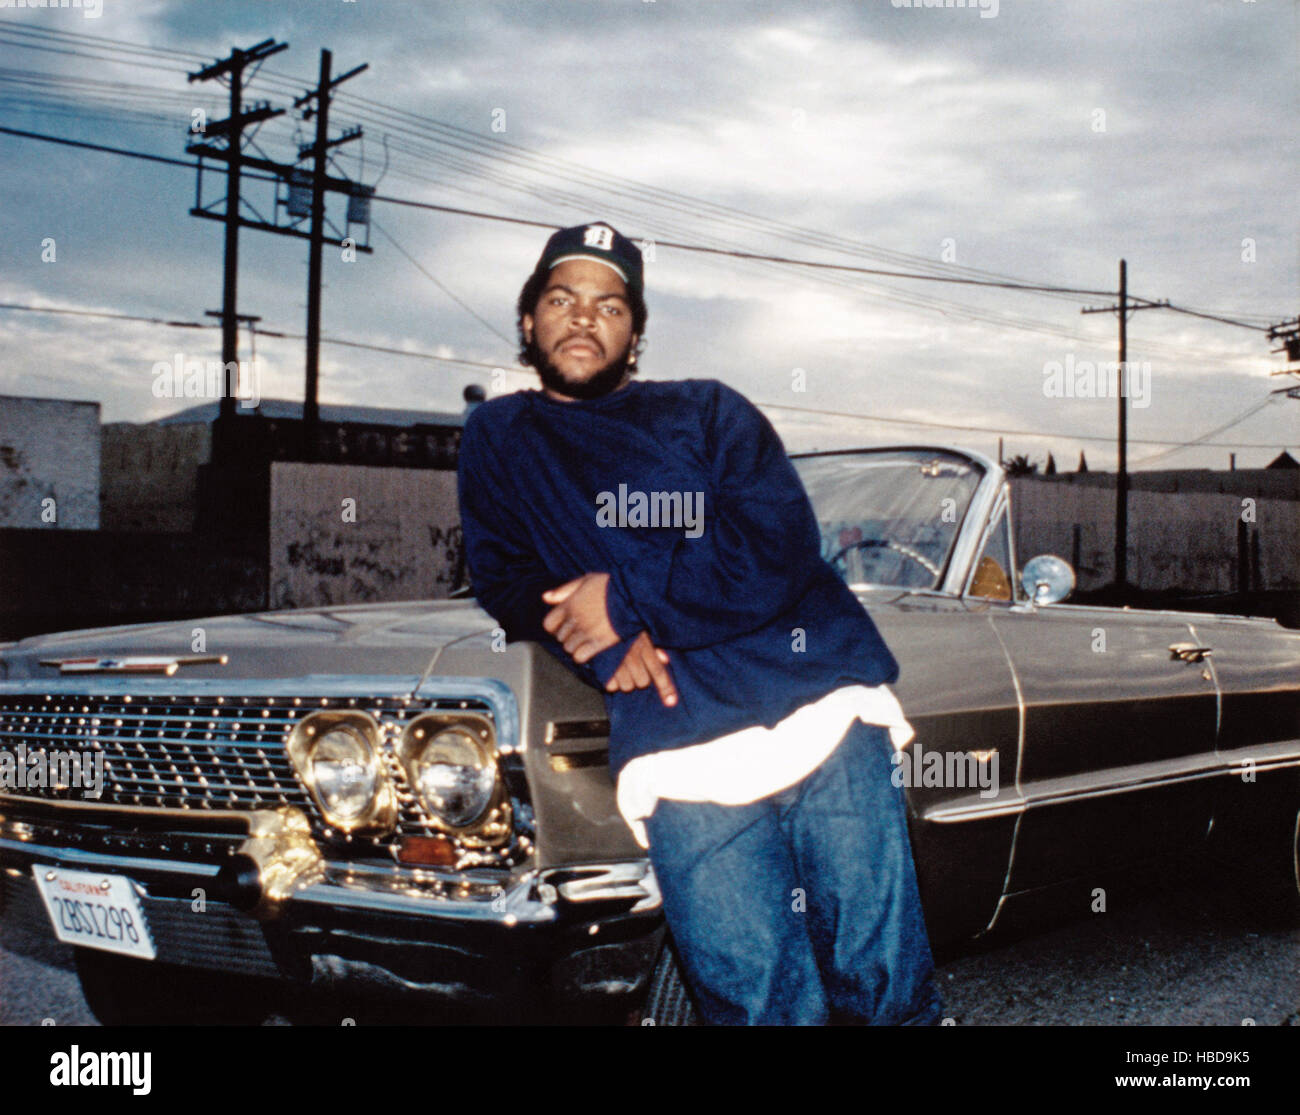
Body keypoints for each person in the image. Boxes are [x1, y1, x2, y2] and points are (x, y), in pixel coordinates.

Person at [456, 220, 942, 1025]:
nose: (584, 318)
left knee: (883, 985)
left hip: (817, 706)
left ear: (635, 335)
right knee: (758, 1006)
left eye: (610, 306)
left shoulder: (708, 412)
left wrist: (620, 599)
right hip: (677, 740)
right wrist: (600, 646)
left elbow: (777, 547)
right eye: (561, 299)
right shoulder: (500, 438)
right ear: (527, 322)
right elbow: (507, 577)